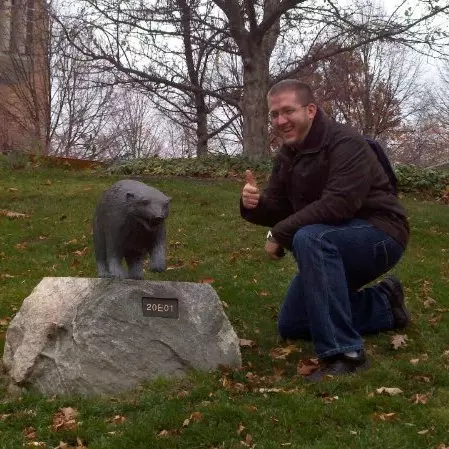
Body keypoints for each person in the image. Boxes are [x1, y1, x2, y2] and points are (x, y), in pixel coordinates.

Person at [240, 80, 410, 382]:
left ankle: (346, 354)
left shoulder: (346, 143)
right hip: (334, 238)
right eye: (275, 114)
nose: (281, 121)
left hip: (381, 234)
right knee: (293, 324)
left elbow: (338, 205)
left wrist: (279, 234)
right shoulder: (288, 154)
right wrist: (253, 204)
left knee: (311, 236)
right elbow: (279, 206)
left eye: (288, 111)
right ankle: (385, 304)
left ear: (310, 110)